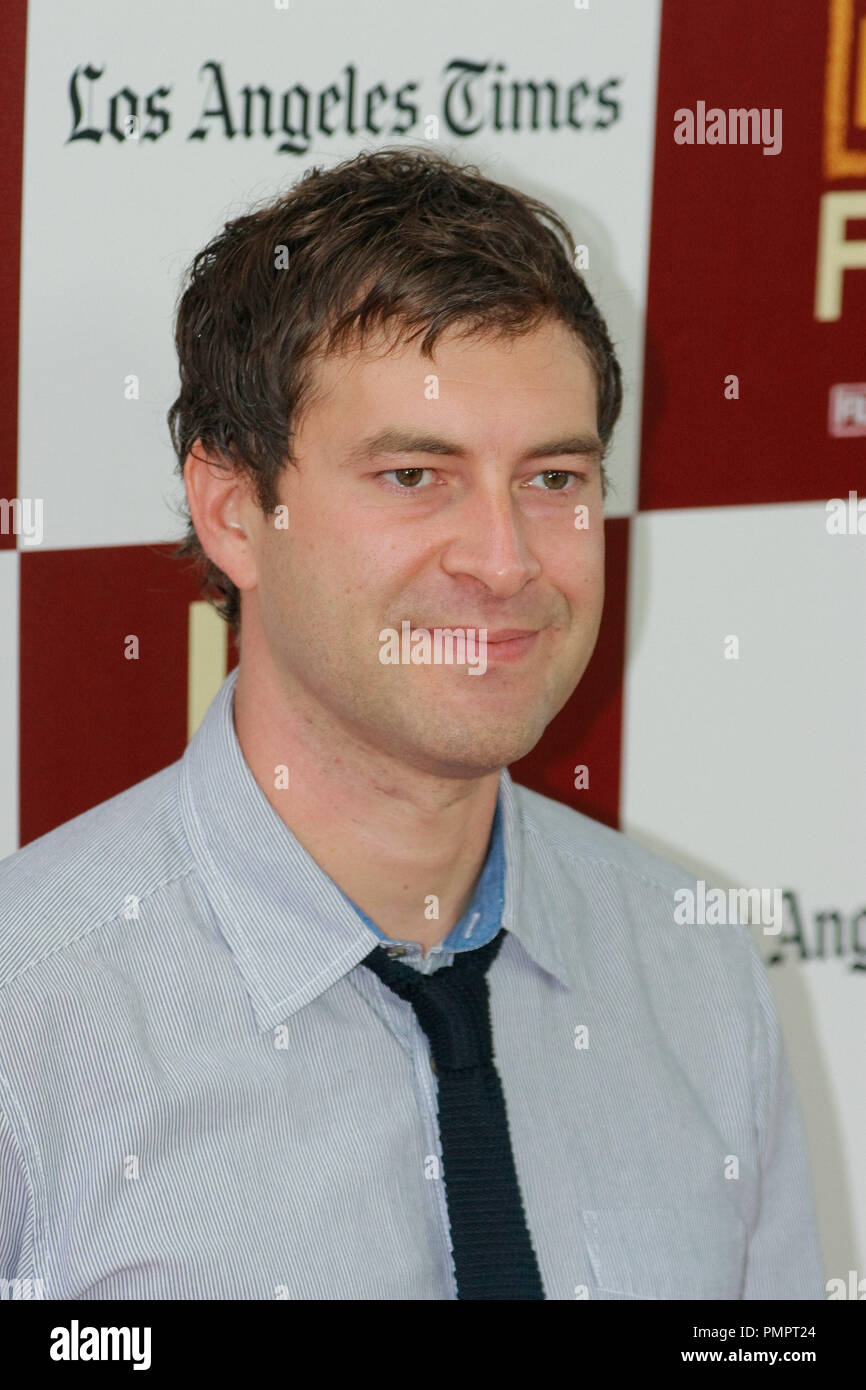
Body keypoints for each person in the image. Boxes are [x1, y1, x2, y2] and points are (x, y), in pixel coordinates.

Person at [0, 146, 824, 1300]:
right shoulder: (26, 1023)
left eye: (551, 479)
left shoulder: (690, 967)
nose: (504, 562)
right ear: (234, 510)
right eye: (411, 476)